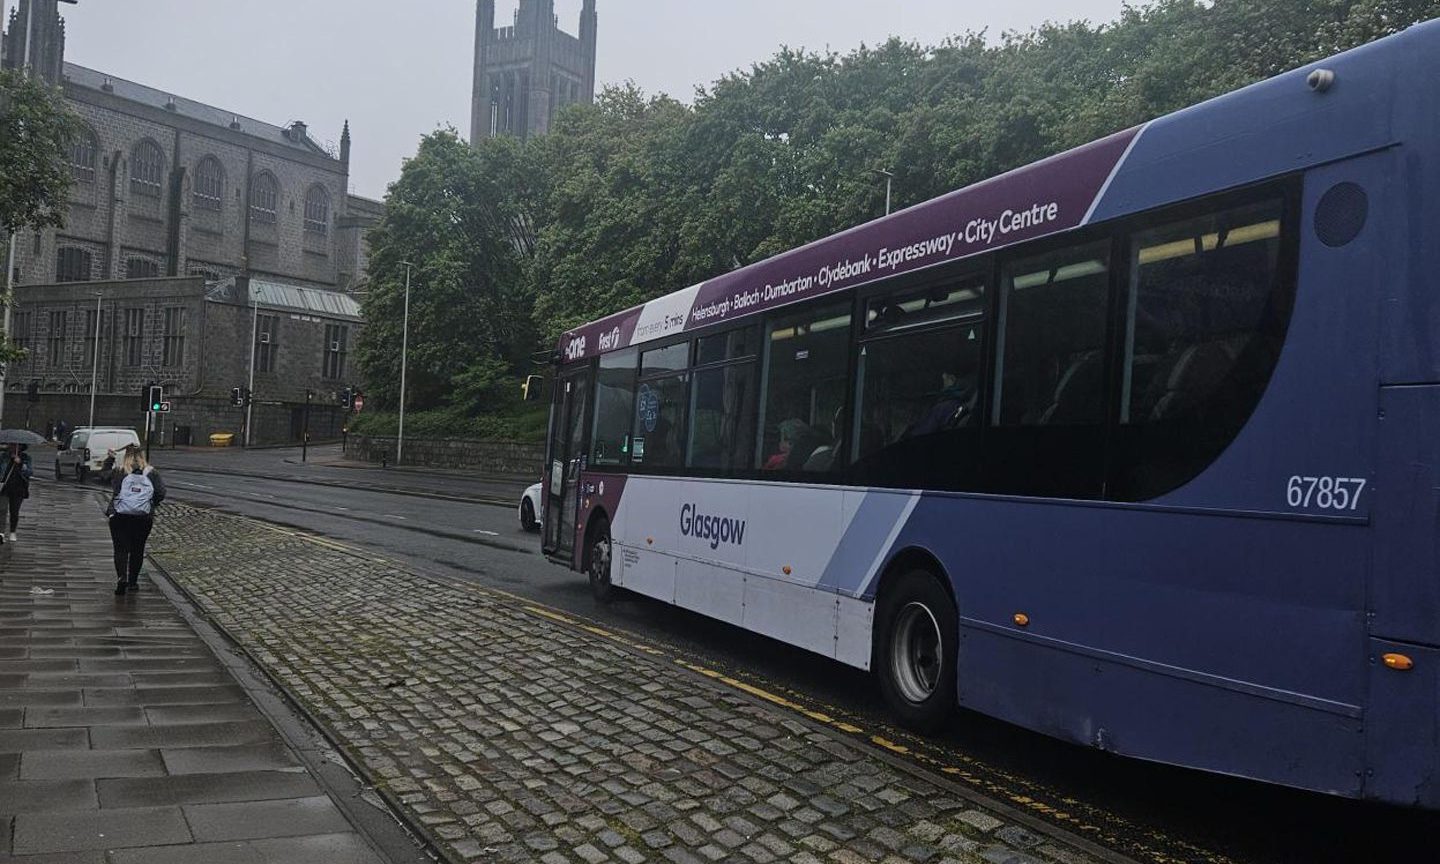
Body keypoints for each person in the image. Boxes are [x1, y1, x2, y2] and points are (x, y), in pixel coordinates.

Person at [107, 447, 166, 595]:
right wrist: (151, 504)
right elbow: (161, 493)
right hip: (143, 517)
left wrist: (109, 460)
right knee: (137, 549)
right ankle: (133, 582)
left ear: (126, 456)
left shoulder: (120, 471)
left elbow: (103, 476)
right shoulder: (151, 472)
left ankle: (122, 577)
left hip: (120, 516)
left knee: (120, 549)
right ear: (142, 456)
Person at [0, 444, 33, 544]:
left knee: (14, 511)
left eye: (16, 445)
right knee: (2, 509)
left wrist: (21, 463)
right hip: (4, 487)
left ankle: (12, 531)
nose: (13, 447)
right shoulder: (3, 457)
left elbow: (29, 472)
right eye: (12, 445)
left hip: (19, 488)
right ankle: (1, 532)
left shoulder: (26, 458)